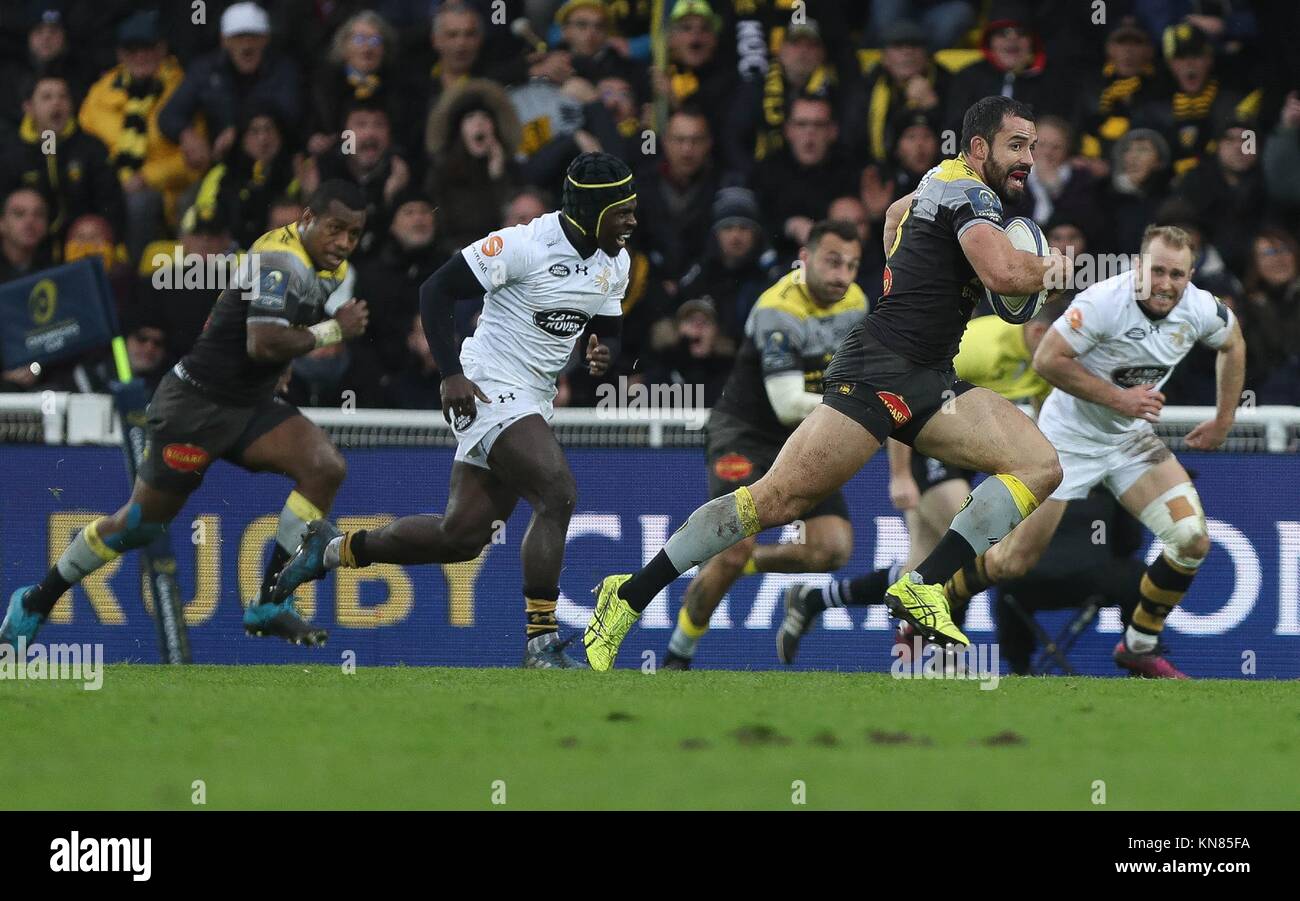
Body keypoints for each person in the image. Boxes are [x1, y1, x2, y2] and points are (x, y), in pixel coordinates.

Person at [583, 95, 1070, 672]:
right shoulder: (968, 192)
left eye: (1034, 148)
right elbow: (1004, 274)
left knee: (1039, 465)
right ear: (979, 148)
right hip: (878, 371)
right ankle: (630, 593)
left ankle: (926, 584)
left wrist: (912, 268)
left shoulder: (943, 182)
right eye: (1018, 146)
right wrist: (1056, 267)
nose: (1029, 159)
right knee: (775, 501)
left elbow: (893, 214)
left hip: (929, 378)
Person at [273, 152, 637, 670]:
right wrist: (450, 375)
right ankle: (541, 642)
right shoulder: (524, 244)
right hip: (487, 385)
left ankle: (331, 549)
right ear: (592, 211)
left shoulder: (616, 262)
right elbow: (436, 289)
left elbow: (613, 329)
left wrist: (605, 354)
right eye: (622, 210)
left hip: (533, 397)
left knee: (460, 536)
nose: (631, 221)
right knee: (557, 492)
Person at [0, 181, 371, 650]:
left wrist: (284, 364)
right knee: (139, 524)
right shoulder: (283, 261)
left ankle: (270, 600)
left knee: (324, 467)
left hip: (249, 403)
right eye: (335, 229)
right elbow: (261, 341)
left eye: (354, 235)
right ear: (307, 219)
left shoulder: (324, 266)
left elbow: (257, 325)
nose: (343, 243)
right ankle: (36, 600)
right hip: (196, 406)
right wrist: (335, 329)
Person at [942, 226, 1246, 678]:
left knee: (1191, 540)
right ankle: (941, 598)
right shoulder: (1103, 302)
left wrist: (1224, 420)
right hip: (1065, 442)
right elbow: (1048, 359)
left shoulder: (1200, 308)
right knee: (1011, 562)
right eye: (1157, 270)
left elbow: (1233, 344)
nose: (1165, 283)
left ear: (1191, 275)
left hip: (1129, 441)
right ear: (1139, 266)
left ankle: (1139, 645)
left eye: (1177, 274)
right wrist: (1122, 400)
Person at [776, 296, 1067, 664]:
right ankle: (940, 657)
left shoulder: (1045, 360)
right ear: (1038, 331)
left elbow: (1042, 414)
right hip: (928, 447)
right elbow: (907, 393)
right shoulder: (982, 344)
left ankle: (814, 600)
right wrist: (899, 474)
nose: (1064, 352)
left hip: (977, 451)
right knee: (968, 547)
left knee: (921, 569)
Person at [660, 220, 866, 670]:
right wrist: (863, 409)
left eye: (852, 265)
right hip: (745, 434)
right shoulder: (777, 308)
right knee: (733, 546)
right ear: (805, 258)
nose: (842, 276)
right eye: (832, 262)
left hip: (805, 436)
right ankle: (678, 653)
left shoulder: (857, 303)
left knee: (832, 549)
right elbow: (789, 402)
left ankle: (740, 565)